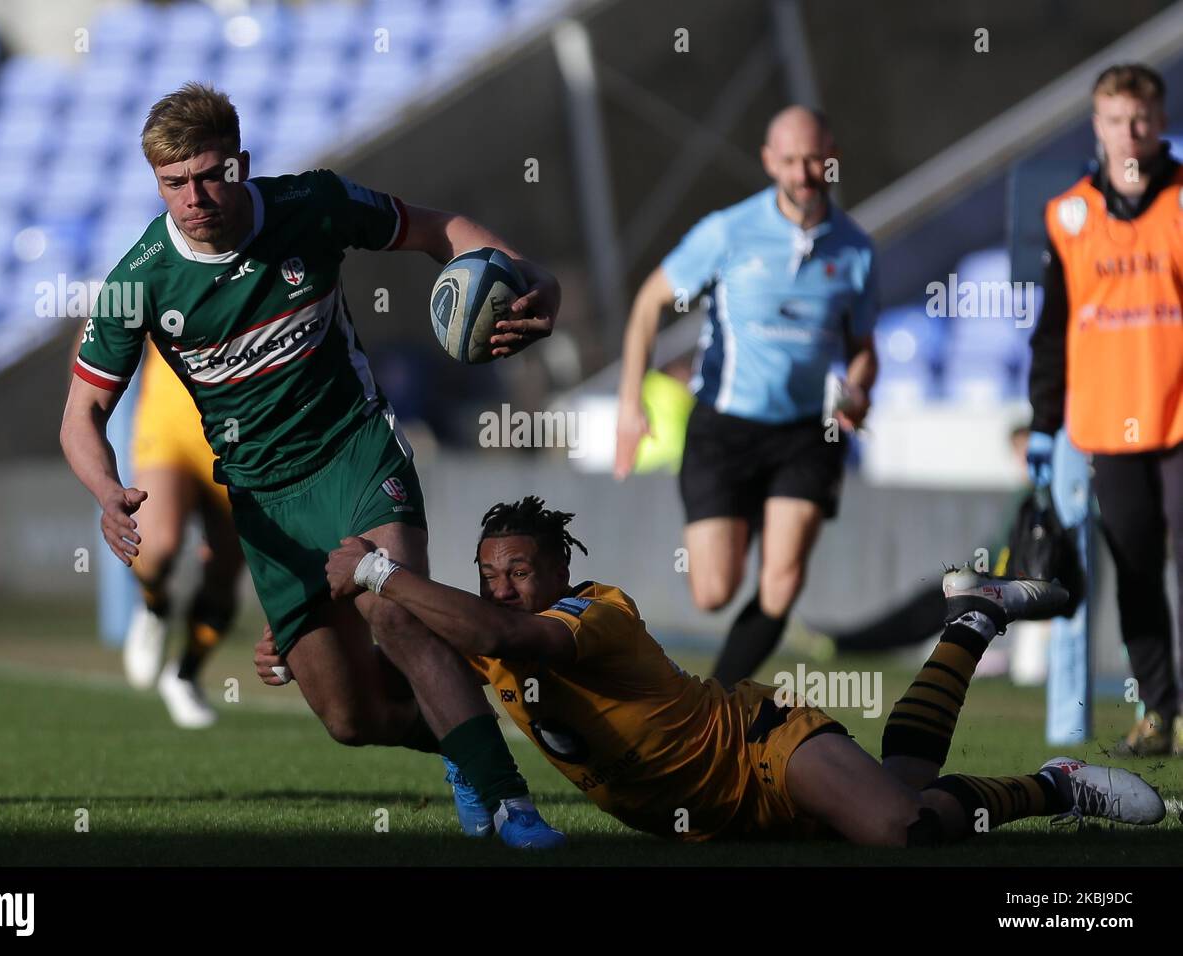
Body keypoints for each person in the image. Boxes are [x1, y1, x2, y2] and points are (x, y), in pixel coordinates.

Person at [60, 83, 565, 848]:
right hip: (264, 500)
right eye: (175, 183)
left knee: (393, 608)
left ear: (242, 163)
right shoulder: (139, 280)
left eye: (211, 174)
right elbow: (80, 417)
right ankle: (462, 743)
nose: (195, 197)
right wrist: (105, 490)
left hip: (354, 449)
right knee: (350, 718)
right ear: (155, 182)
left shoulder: (314, 205)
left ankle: (509, 804)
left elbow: (439, 229)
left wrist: (537, 280)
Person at [256, 496, 1164, 843]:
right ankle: (974, 616)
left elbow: (522, 642)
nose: (504, 586)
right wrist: (306, 651)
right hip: (707, 817)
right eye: (491, 573)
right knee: (910, 790)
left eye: (521, 569)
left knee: (897, 827)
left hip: (756, 746)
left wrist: (380, 571)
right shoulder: (479, 628)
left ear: (562, 570)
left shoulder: (591, 611)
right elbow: (413, 688)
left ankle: (1054, 787)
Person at [615, 106, 878, 688]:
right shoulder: (727, 231)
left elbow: (864, 346)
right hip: (724, 428)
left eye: (814, 159)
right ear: (768, 162)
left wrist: (858, 388)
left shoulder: (856, 250)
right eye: (790, 160)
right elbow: (647, 304)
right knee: (713, 592)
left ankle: (714, 703)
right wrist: (629, 406)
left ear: (831, 157)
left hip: (806, 433)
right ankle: (751, 514)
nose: (804, 172)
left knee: (781, 583)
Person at [1028, 63, 1183, 757]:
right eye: (1117, 119)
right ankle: (1158, 712)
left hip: (1181, 417)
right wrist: (1040, 425)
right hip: (1108, 424)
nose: (1131, 132)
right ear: (1098, 125)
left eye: (1143, 118)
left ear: (1159, 120)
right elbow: (1051, 332)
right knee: (1137, 564)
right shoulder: (1067, 217)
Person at [122, 342, 246, 728]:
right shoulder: (160, 279)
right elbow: (103, 322)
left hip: (240, 436)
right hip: (170, 426)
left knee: (226, 569)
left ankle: (184, 674)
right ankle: (155, 605)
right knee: (159, 544)